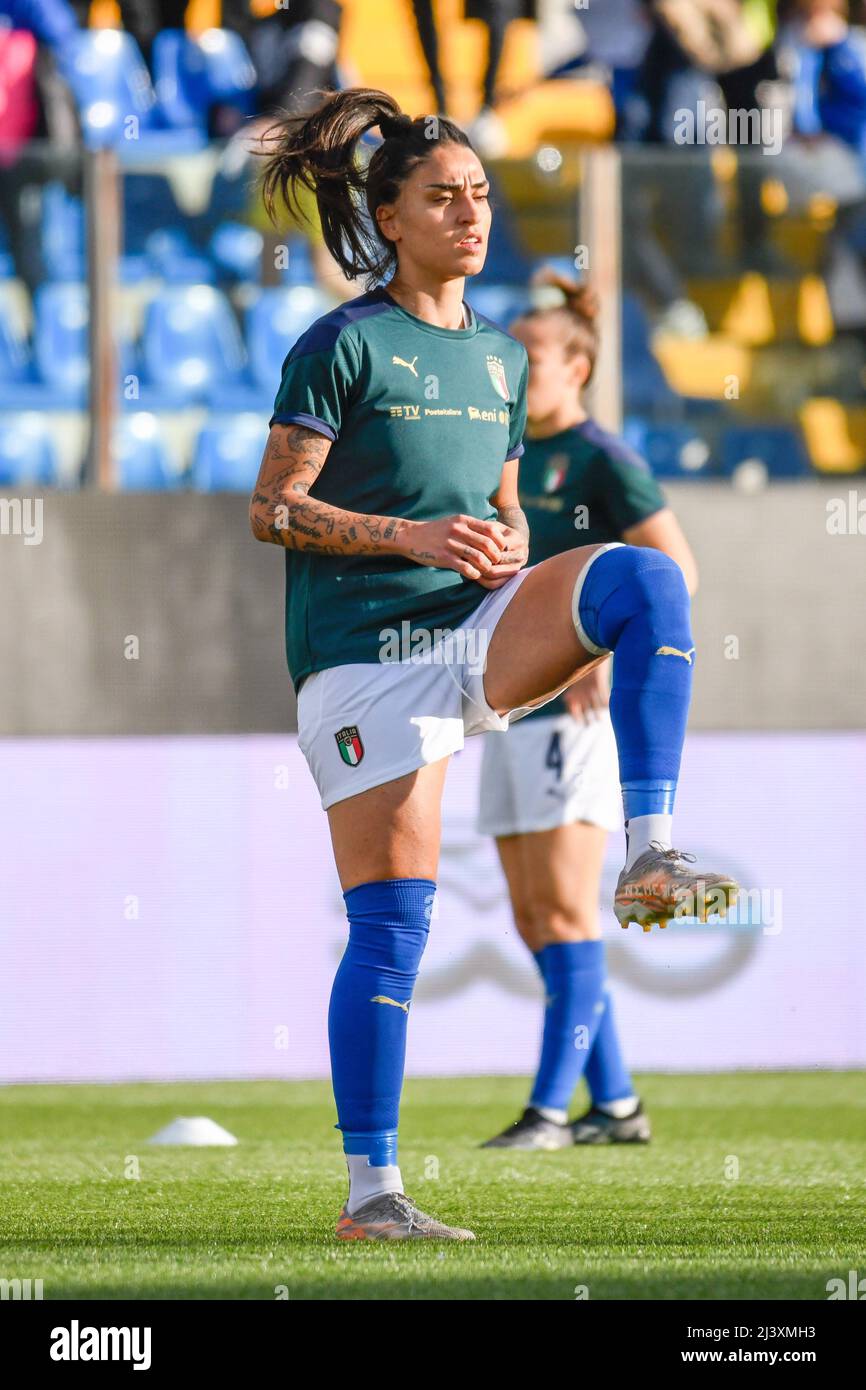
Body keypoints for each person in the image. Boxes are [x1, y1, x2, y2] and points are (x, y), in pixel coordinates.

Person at [248, 86, 738, 1241]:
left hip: (469, 634)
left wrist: (512, 540)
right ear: (389, 217)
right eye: (441, 197)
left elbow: (505, 512)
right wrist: (412, 536)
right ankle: (372, 1194)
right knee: (393, 923)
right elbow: (274, 508)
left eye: (477, 193)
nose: (470, 213)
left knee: (642, 579)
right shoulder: (342, 342)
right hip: (363, 656)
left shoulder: (503, 362)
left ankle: (650, 851)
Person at [477, 269, 698, 1151]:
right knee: (535, 921)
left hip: (573, 720)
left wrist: (600, 649)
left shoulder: (604, 459)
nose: (517, 374)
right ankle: (615, 1104)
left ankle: (546, 1115)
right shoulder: (502, 456)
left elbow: (672, 575)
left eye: (531, 358)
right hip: (507, 712)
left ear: (577, 368)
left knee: (567, 915)